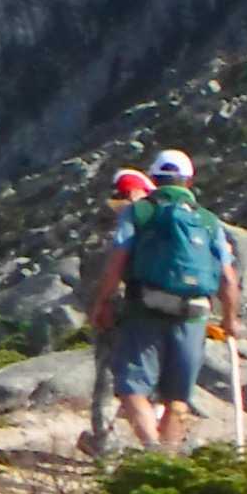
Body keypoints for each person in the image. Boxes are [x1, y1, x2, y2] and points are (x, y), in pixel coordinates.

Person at [88, 148, 240, 453]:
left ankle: (152, 449)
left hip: (145, 307)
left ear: (155, 179)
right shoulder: (208, 221)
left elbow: (118, 260)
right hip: (194, 313)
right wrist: (230, 319)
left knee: (132, 388)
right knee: (178, 398)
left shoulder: (140, 212)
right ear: (188, 181)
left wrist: (102, 301)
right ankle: (167, 463)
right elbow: (228, 278)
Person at [84, 167, 153, 457]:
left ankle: (104, 442)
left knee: (107, 378)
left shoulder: (101, 230)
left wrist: (99, 306)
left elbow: (91, 275)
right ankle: (156, 445)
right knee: (148, 376)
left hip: (110, 311)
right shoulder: (150, 224)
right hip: (147, 310)